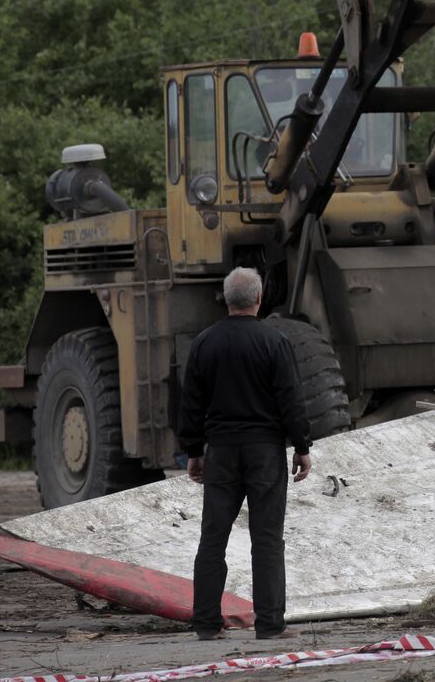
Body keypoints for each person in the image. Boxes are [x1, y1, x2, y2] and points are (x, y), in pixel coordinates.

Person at [178, 267, 312, 641]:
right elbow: (291, 398)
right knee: (267, 539)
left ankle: (206, 623)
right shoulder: (274, 340)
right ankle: (270, 624)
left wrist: (193, 450)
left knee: (213, 537)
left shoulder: (205, 342)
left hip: (220, 451)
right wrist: (301, 446)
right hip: (265, 452)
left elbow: (190, 402)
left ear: (226, 298)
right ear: (258, 298)